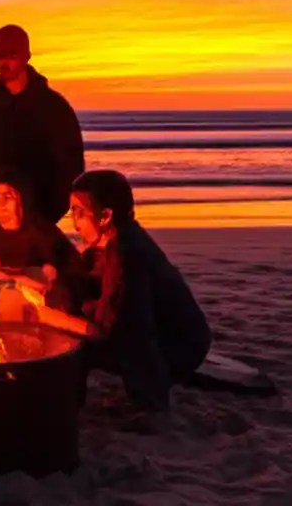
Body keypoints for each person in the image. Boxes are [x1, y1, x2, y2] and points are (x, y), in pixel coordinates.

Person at [64, 169, 212, 413]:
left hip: (180, 347)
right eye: (72, 212)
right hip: (174, 336)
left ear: (105, 216)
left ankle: (142, 402)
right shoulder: (118, 239)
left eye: (79, 212)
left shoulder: (126, 254)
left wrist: (46, 315)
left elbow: (118, 331)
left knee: (76, 345)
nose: (74, 222)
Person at [0, 25, 84, 225]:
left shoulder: (53, 107)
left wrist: (52, 212)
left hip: (39, 218)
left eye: (12, 54)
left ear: (27, 55)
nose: (4, 62)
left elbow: (71, 165)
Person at [0, 168, 83, 311]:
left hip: (41, 303)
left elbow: (59, 286)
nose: (0, 204)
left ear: (22, 200)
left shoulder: (42, 234)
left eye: (8, 196)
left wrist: (7, 275)